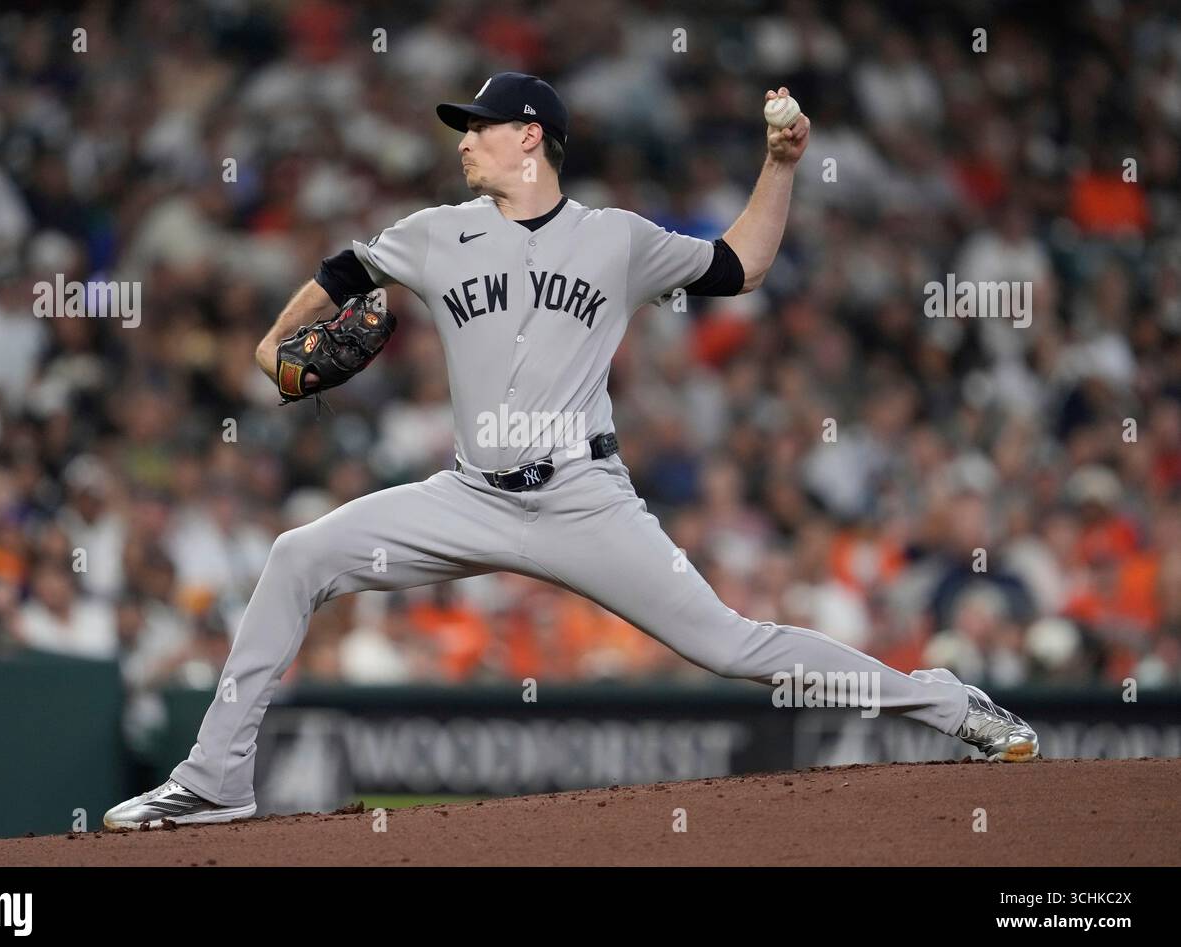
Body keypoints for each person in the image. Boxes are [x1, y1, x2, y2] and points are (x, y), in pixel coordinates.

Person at [104, 74, 1037, 830]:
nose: (463, 140)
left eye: (479, 126)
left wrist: (780, 165)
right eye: (460, 128)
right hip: (468, 494)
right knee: (297, 555)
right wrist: (273, 349)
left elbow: (740, 265)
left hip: (584, 497)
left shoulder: (615, 239)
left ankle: (945, 704)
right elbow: (338, 276)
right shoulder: (434, 233)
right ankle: (215, 779)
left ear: (531, 138)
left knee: (733, 646)